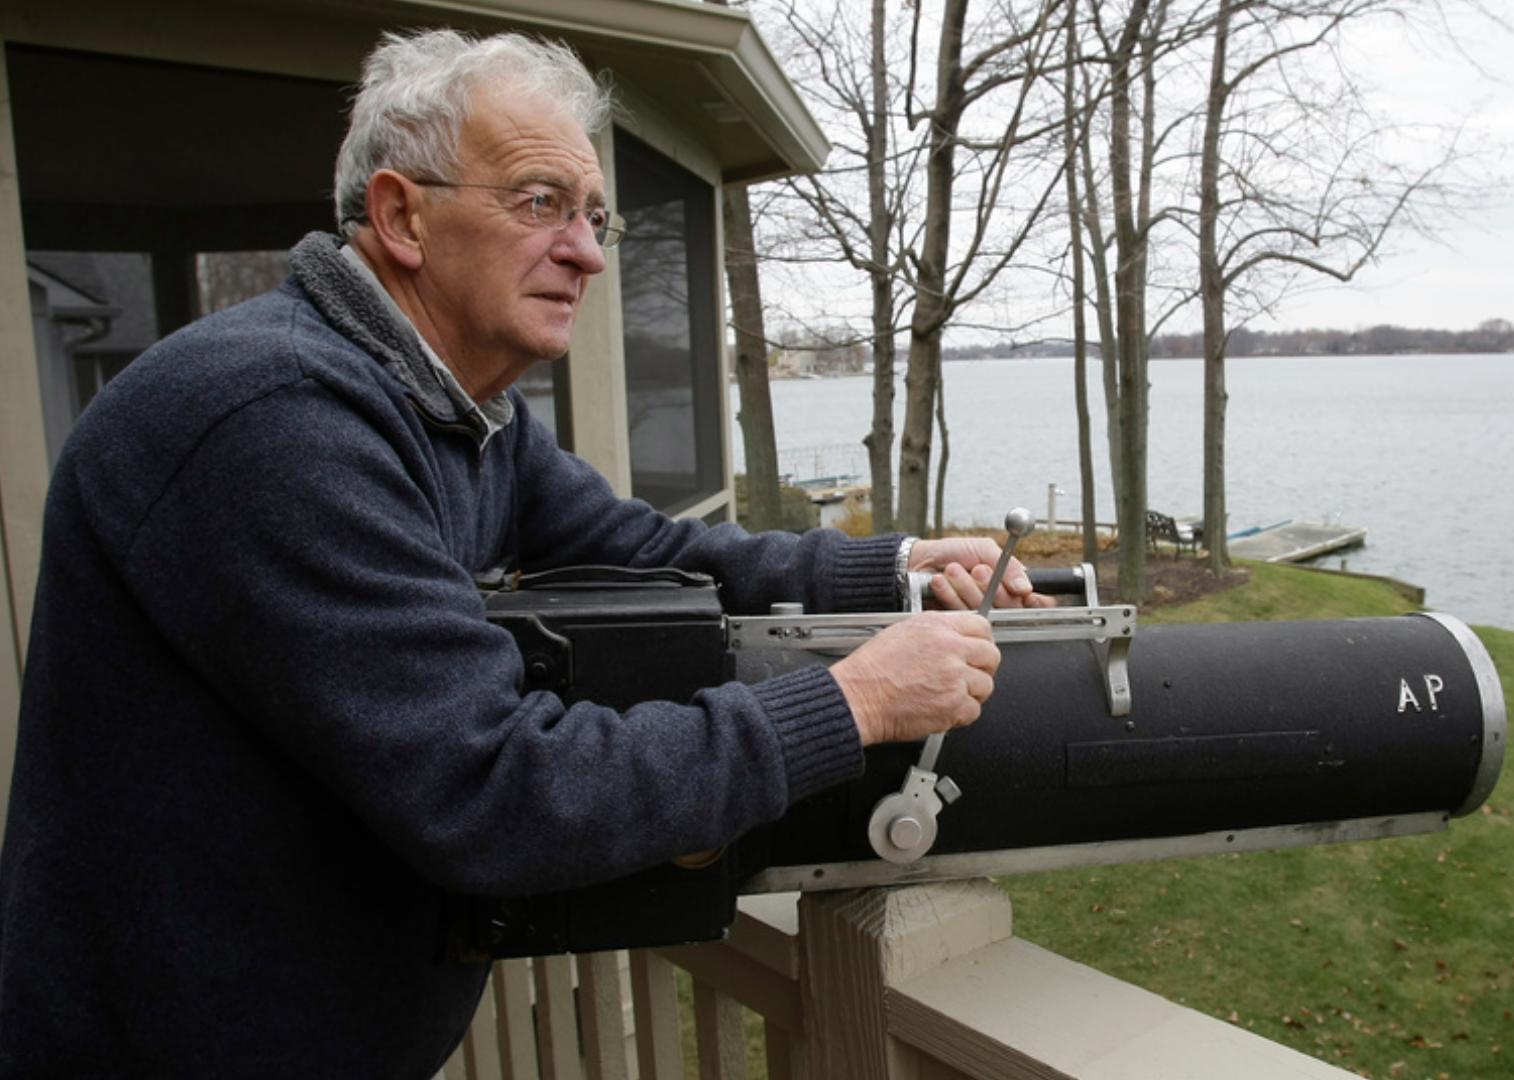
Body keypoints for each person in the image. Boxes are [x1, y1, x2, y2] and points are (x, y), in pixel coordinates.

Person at [0, 29, 1045, 1077]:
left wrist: (893, 567)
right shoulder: (274, 423)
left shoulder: (459, 410)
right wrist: (852, 704)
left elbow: (647, 550)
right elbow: (496, 791)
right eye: (540, 201)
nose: (588, 253)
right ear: (402, 215)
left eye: (595, 216)